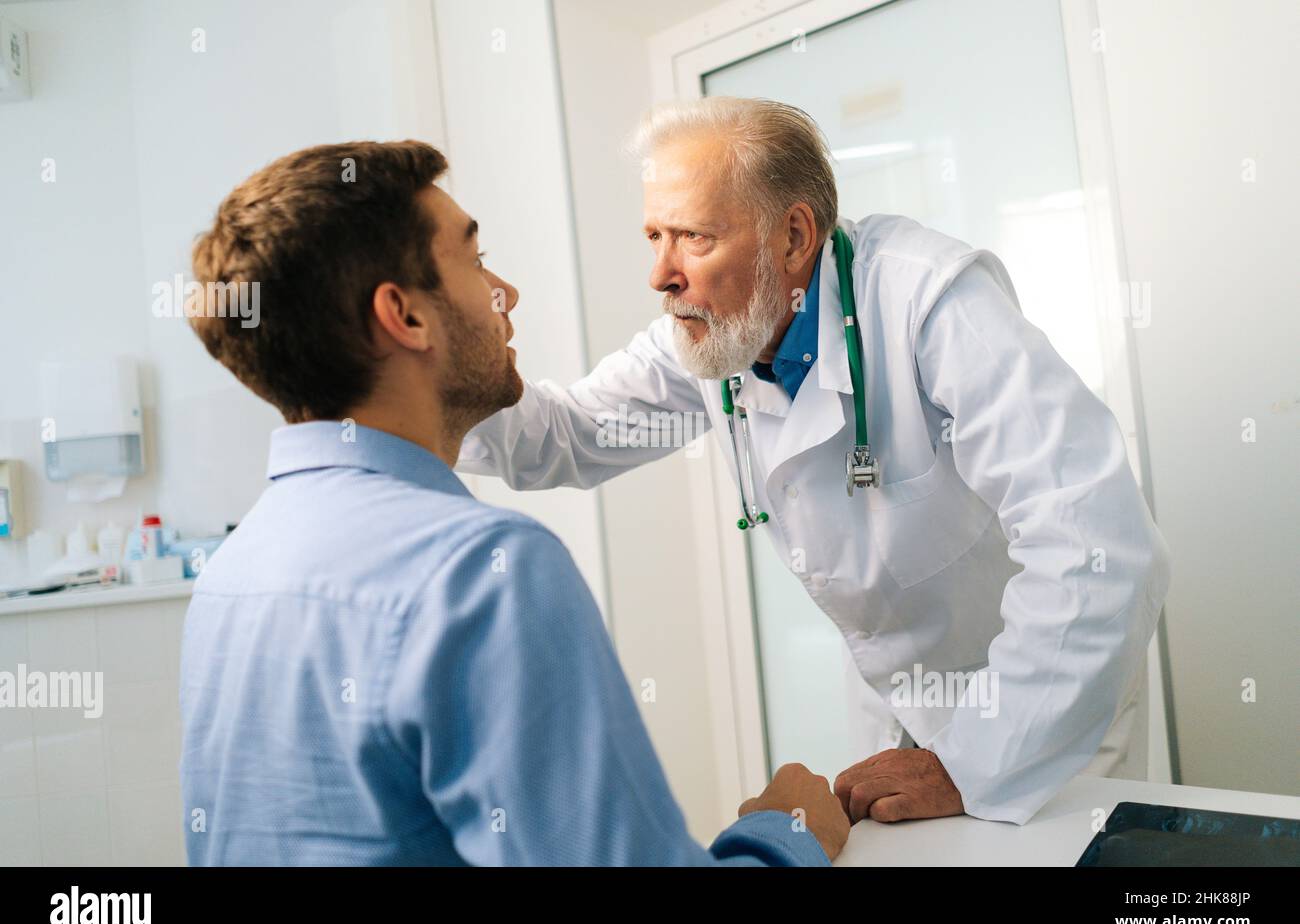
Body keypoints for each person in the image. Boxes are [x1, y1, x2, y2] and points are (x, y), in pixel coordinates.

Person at [459, 97, 1172, 826]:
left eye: (693, 238)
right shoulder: (711, 338)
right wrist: (440, 368)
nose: (661, 275)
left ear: (794, 235)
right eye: (653, 236)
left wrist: (974, 761)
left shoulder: (929, 301)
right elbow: (565, 437)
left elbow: (1096, 544)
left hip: (1040, 709)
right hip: (895, 714)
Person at [179, 139, 848, 866]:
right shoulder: (481, 574)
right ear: (404, 317)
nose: (508, 293)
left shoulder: (230, 575)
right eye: (474, 259)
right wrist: (787, 835)